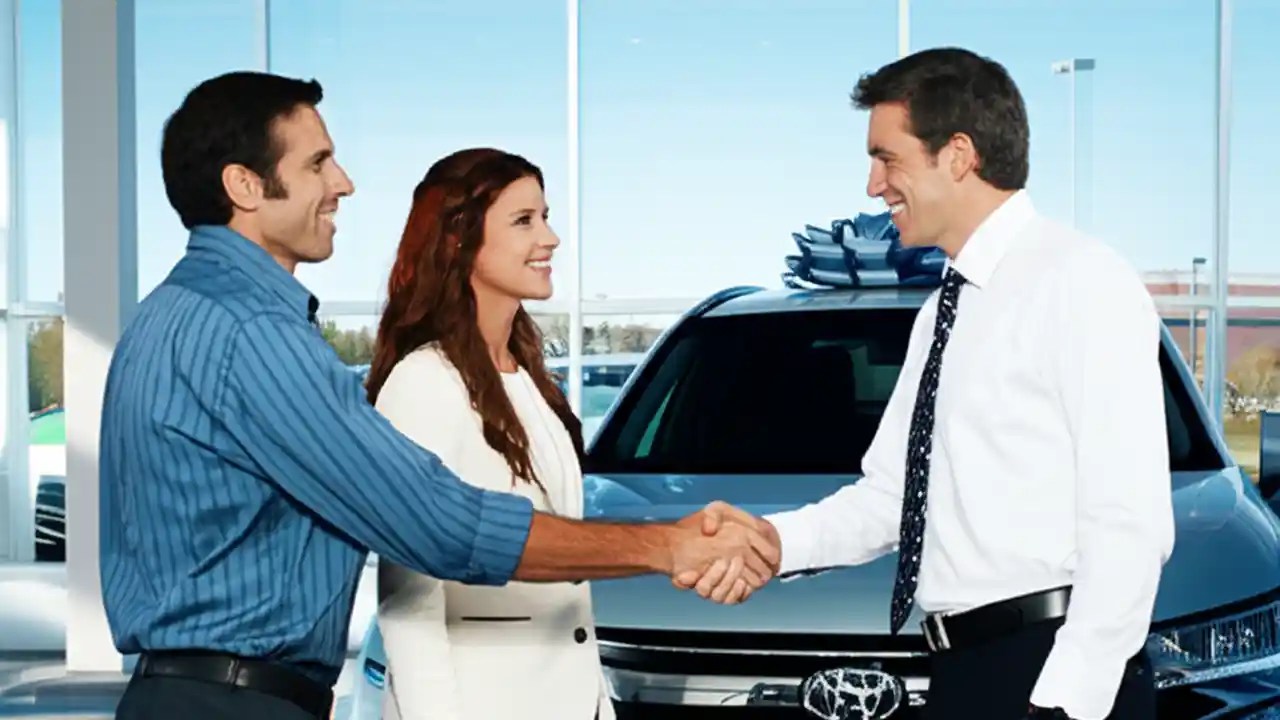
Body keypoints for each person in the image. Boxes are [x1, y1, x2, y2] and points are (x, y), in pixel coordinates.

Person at [99, 71, 777, 720]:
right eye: (317, 164)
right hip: (230, 703)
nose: (344, 183)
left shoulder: (181, 313)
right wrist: (665, 547)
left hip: (216, 694)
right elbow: (435, 525)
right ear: (245, 185)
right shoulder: (249, 333)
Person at [688, 48, 1173, 720]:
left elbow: (1128, 519)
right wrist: (775, 545)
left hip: (1048, 674)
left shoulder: (1082, 280)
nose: (872, 185)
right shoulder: (944, 311)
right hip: (964, 672)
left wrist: (1068, 701)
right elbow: (895, 495)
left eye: (887, 157)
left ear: (957, 155)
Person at [365, 148, 613, 720]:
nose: (549, 238)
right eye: (524, 221)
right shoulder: (423, 382)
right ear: (459, 239)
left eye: (545, 216)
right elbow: (409, 601)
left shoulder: (527, 380)